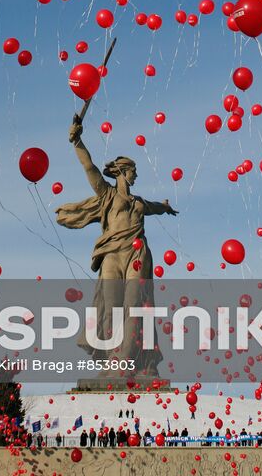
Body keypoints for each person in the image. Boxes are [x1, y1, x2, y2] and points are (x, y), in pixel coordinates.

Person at [57, 118, 178, 374]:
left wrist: (165, 207)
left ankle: (127, 361)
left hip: (137, 254)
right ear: (122, 171)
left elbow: (156, 207)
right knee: (110, 309)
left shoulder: (140, 202)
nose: (136, 175)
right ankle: (111, 358)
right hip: (112, 254)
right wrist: (77, 141)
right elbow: (89, 168)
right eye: (133, 171)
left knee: (135, 306)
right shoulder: (107, 194)